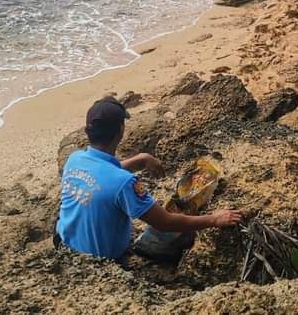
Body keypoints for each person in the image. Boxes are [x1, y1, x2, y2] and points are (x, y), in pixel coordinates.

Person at [56, 98, 245, 259]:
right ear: (121, 130)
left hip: (65, 246)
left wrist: (140, 159)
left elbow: (101, 177)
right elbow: (165, 223)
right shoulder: (124, 183)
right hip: (102, 260)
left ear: (87, 130)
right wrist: (214, 219)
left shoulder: (75, 159)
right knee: (176, 231)